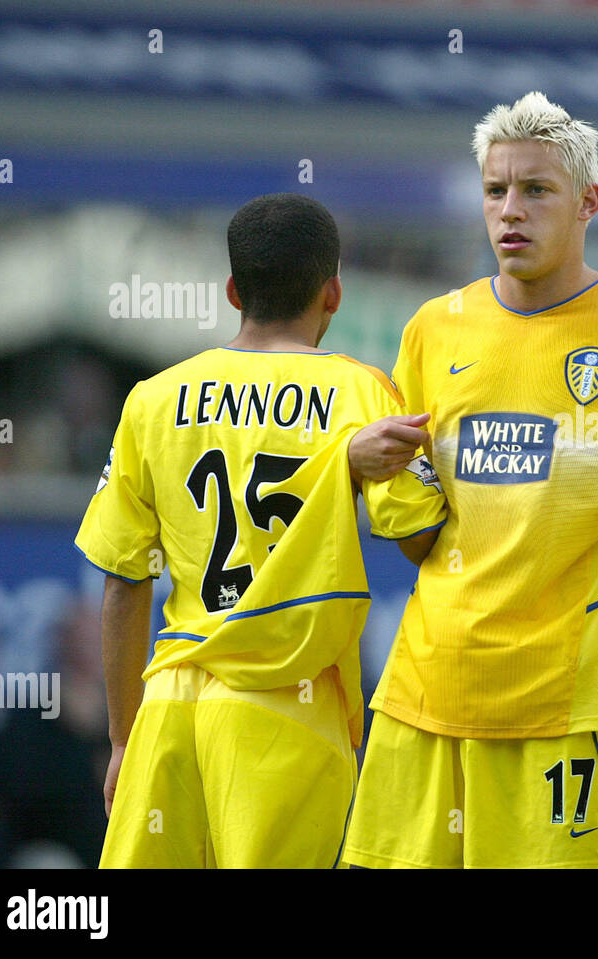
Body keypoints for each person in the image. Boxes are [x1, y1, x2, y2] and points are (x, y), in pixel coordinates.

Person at [341, 91, 598, 869]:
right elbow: (416, 528)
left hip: (566, 711)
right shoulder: (433, 327)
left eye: (536, 190)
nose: (510, 211)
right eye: (496, 191)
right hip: (425, 698)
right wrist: (368, 470)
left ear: (588, 200)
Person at [75, 193, 445, 867]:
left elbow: (123, 583)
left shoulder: (152, 398)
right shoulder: (363, 391)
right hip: (285, 707)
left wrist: (123, 738)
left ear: (232, 290)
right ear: (333, 293)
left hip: (169, 707)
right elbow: (418, 539)